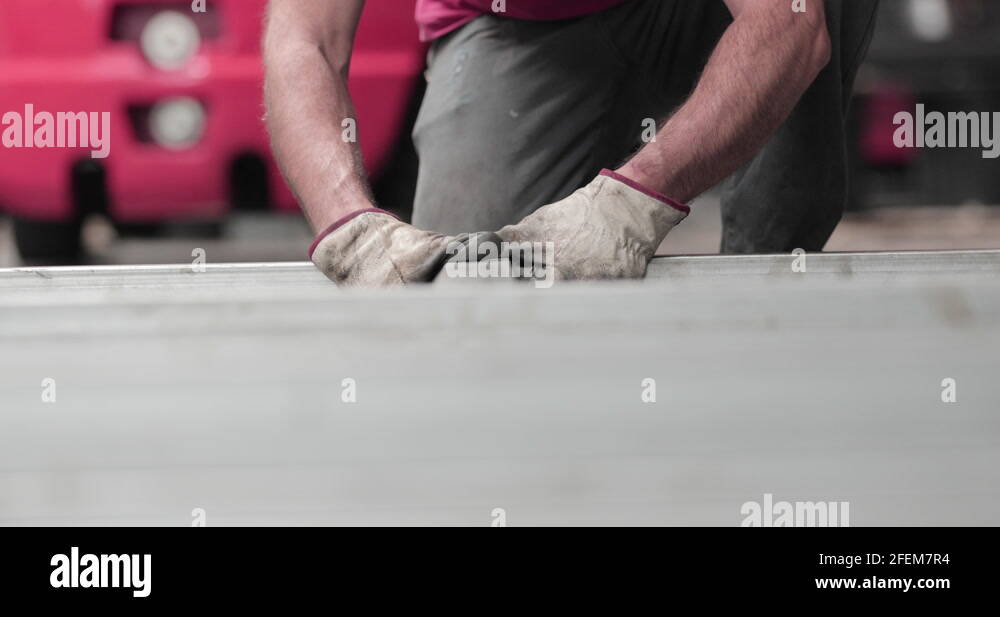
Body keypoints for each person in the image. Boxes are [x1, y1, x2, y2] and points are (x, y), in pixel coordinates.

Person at [264, 0, 880, 285]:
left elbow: (789, 21)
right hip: (514, 27)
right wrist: (350, 233)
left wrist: (631, 205)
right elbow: (303, 40)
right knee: (467, 292)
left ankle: (767, 281)